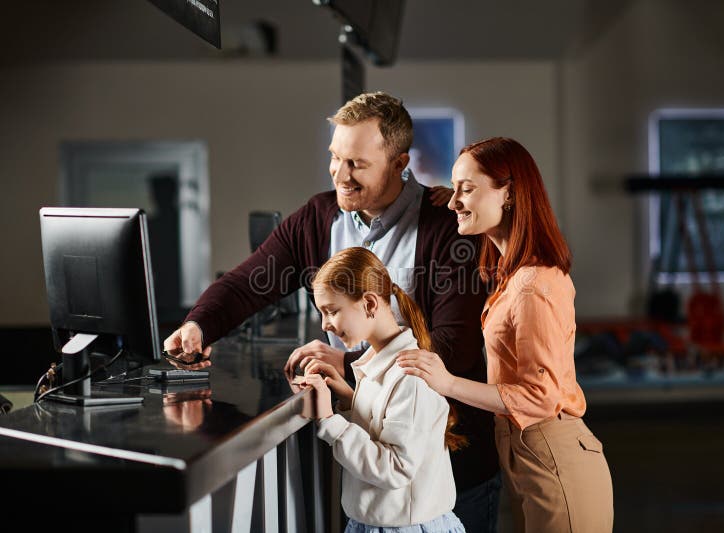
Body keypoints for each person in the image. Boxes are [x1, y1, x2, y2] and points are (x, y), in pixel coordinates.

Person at [161, 91, 501, 530]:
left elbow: (454, 348)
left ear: (400, 164)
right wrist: (198, 324)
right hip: (370, 476)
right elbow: (250, 281)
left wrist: (349, 360)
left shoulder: (444, 227)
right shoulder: (318, 218)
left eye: (357, 164)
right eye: (335, 158)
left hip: (454, 470)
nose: (341, 175)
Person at [397, 137, 614, 533]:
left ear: (510, 193)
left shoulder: (533, 284)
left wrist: (446, 382)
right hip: (524, 452)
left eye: (466, 189)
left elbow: (539, 396)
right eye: (454, 188)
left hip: (552, 453)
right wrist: (462, 195)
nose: (452, 202)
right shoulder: (508, 274)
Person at [298, 247, 465, 532]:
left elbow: (396, 467)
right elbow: (382, 426)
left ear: (369, 304)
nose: (325, 324)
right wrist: (349, 400)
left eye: (332, 311)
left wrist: (330, 421)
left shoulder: (410, 378)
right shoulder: (378, 364)